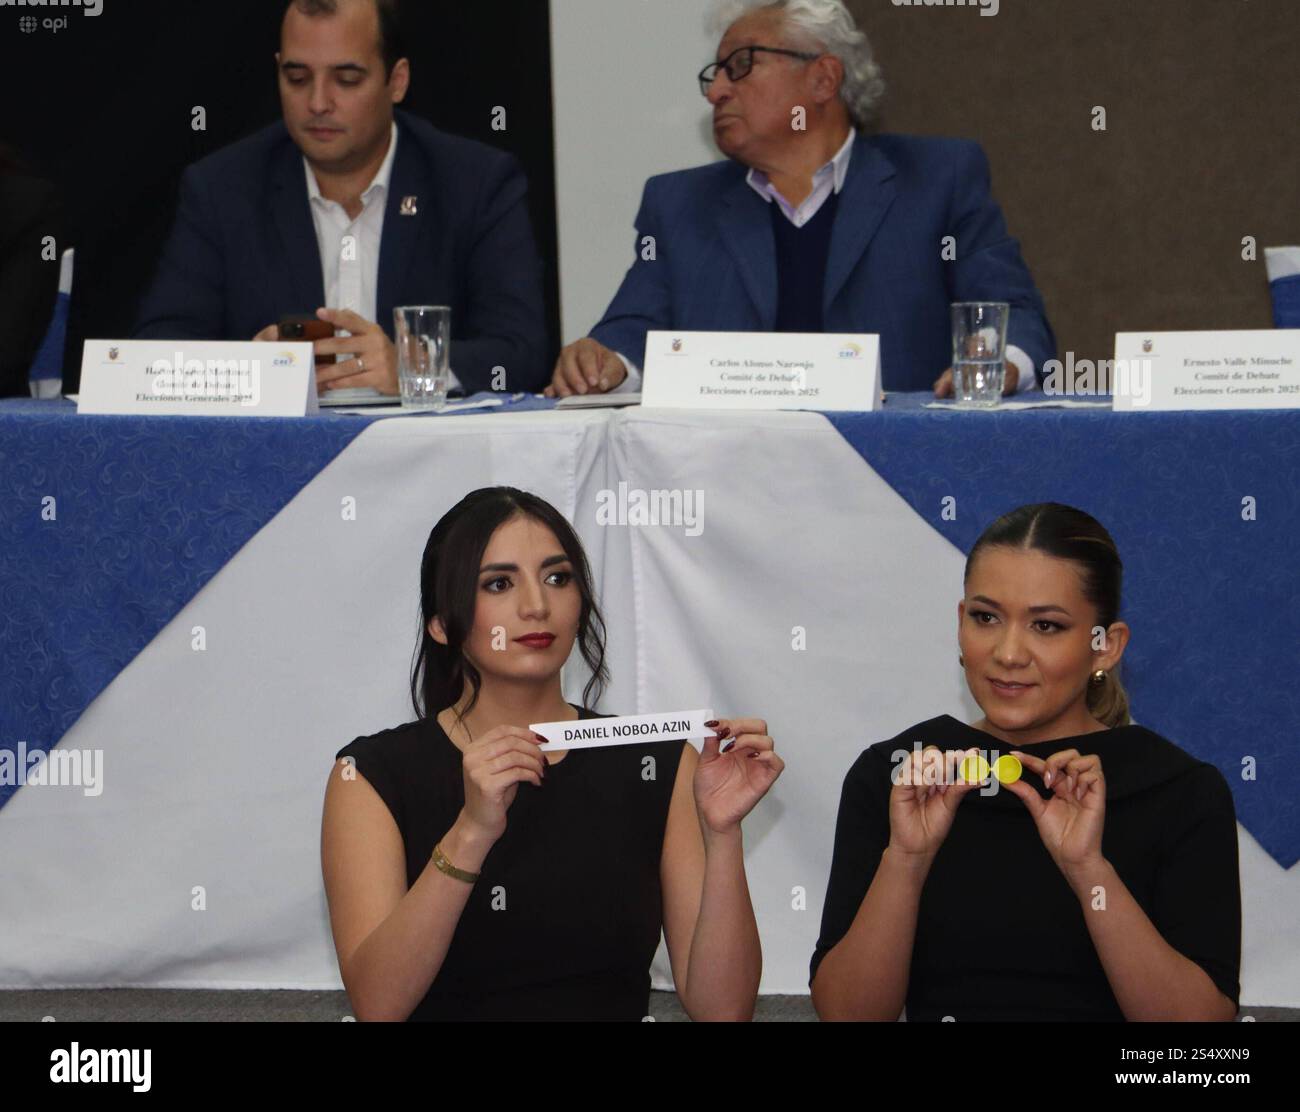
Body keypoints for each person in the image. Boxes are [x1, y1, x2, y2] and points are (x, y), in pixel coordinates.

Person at [321, 487, 783, 1020]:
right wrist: (471, 832)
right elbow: (379, 1005)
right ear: (441, 623)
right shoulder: (371, 775)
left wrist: (723, 835)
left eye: (557, 577)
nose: (536, 605)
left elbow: (723, 1011)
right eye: (498, 583)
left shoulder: (655, 760)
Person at [810, 503, 1241, 1021]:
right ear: (960, 621)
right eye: (986, 617)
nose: (1009, 652)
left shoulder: (1180, 791)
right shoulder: (897, 774)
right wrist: (906, 859)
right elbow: (848, 1015)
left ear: (1106, 647)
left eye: (1046, 626)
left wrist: (1087, 869)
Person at [546, 0, 1054, 400]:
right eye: (714, 74)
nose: (716, 91)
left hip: (902, 478)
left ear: (822, 78)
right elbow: (634, 327)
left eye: (739, 65)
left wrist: (1000, 360)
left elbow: (1013, 315)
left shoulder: (937, 180)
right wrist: (605, 361)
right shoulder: (679, 205)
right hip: (726, 484)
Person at [134, 0, 549, 397]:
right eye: (297, 79)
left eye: (346, 79)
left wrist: (415, 366)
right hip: (280, 460)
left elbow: (522, 352)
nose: (317, 103)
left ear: (397, 81)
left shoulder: (475, 184)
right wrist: (245, 371)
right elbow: (156, 353)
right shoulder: (222, 189)